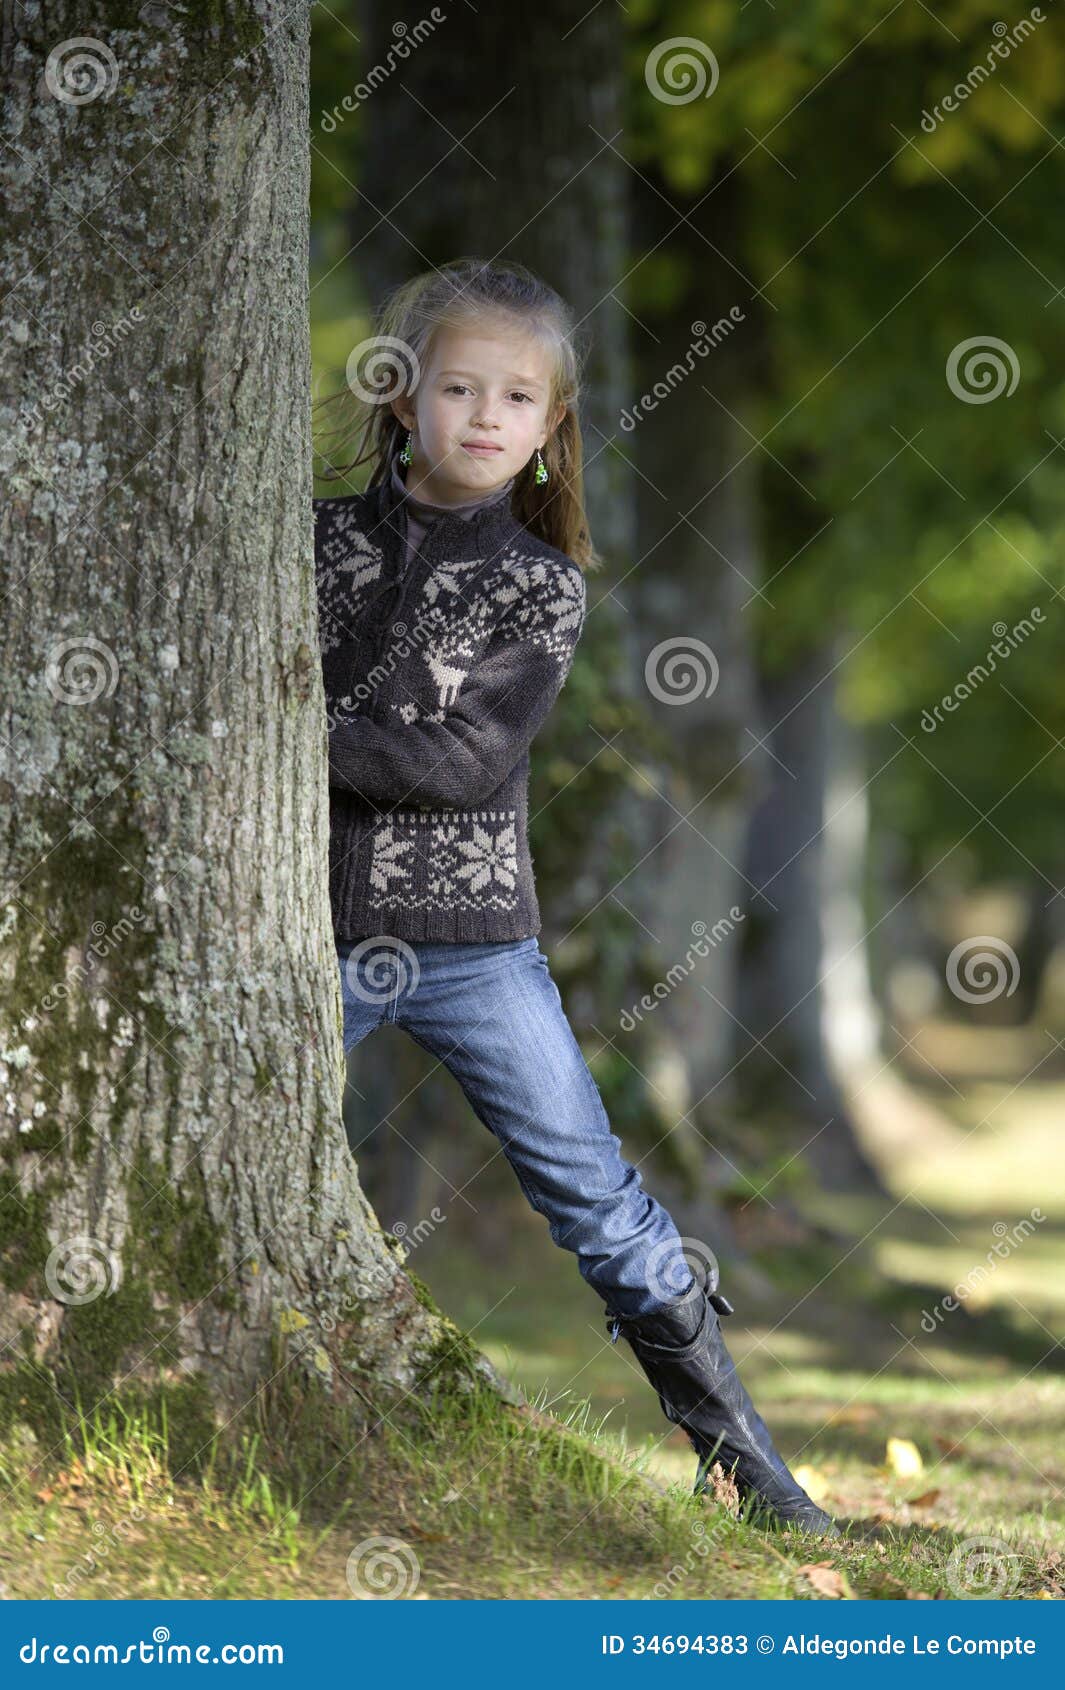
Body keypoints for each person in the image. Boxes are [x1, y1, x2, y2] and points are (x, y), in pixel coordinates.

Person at [312, 256, 838, 1539]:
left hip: (473, 949)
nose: (483, 417)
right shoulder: (312, 536)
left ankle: (753, 1474)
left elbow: (461, 763)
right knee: (229, 1133)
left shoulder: (537, 585)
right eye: (456, 388)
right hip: (308, 934)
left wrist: (286, 724)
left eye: (516, 397)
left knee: (599, 1196)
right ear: (402, 398)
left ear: (553, 427)